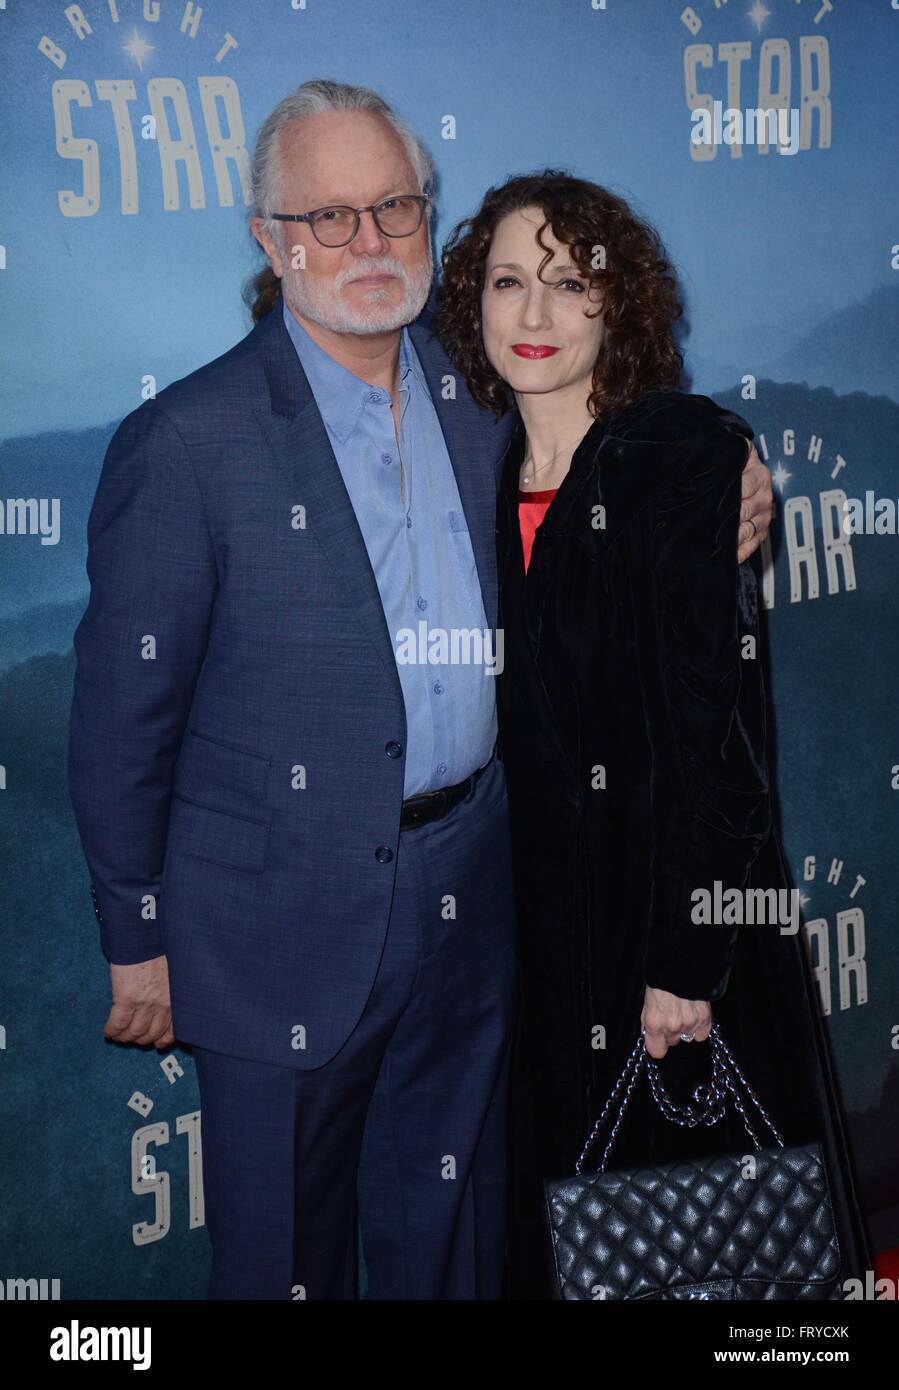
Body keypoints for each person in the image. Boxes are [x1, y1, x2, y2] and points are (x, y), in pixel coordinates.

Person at [67, 83, 772, 1301]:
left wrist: (735, 461)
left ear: (424, 211)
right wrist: (137, 940)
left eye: (392, 206)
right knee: (283, 1263)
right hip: (271, 935)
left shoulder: (477, 389)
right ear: (267, 238)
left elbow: (623, 417)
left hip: (476, 903)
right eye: (327, 216)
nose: (367, 241)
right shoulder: (188, 443)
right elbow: (122, 719)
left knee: (453, 1252)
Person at [434, 169, 872, 1299]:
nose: (532, 316)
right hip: (543, 938)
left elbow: (714, 732)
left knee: (704, 1246)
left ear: (615, 306)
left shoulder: (671, 456)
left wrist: (683, 963)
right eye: (508, 282)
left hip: (670, 928)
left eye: (568, 286)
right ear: (469, 302)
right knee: (587, 1245)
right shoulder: (475, 470)